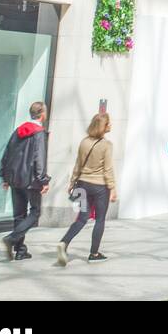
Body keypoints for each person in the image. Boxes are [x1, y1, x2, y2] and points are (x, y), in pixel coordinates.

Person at [57, 113, 118, 265]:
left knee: (82, 218)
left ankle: (64, 242)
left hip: (83, 185)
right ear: (103, 127)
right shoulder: (106, 145)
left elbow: (78, 164)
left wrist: (72, 182)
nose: (110, 126)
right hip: (100, 188)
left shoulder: (84, 142)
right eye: (108, 123)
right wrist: (113, 188)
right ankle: (94, 253)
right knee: (100, 219)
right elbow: (108, 169)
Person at [0, 101, 49, 261]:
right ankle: (12, 239)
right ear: (42, 115)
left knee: (19, 215)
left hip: (14, 178)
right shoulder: (39, 133)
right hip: (31, 179)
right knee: (35, 212)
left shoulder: (18, 131)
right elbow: (39, 158)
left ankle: (20, 250)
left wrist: (5, 177)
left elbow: (7, 154)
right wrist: (43, 180)